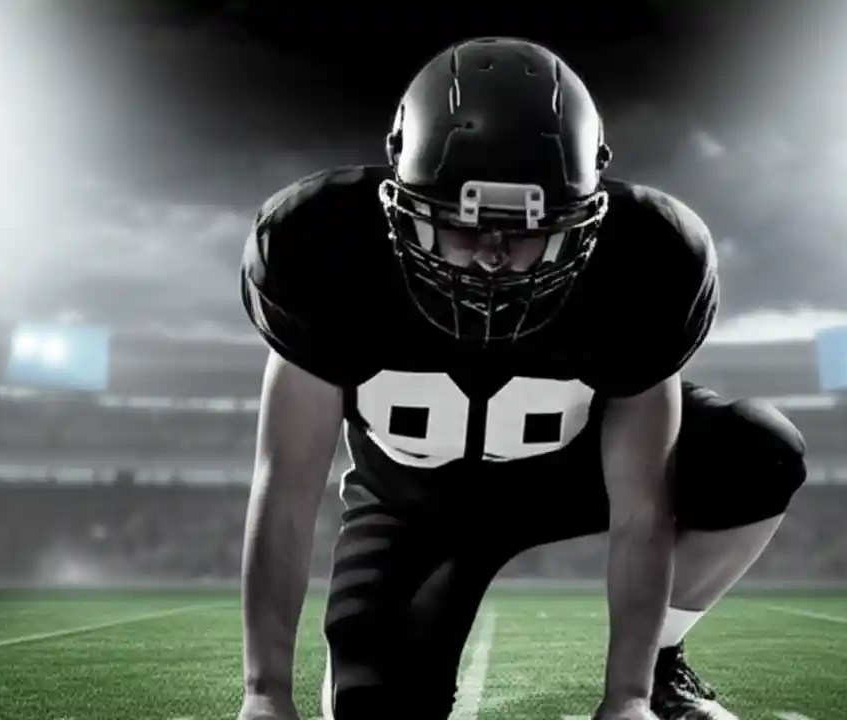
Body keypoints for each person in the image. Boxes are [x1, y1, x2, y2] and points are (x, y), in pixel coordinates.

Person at [237, 36, 806, 720]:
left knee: (759, 452)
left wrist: (625, 697)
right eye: (462, 225)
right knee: (377, 707)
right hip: (414, 506)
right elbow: (286, 491)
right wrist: (265, 694)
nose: (492, 257)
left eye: (524, 231)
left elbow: (641, 508)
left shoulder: (647, 260)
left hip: (572, 469)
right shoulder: (323, 250)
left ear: (585, 219)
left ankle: (660, 664)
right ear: (402, 207)